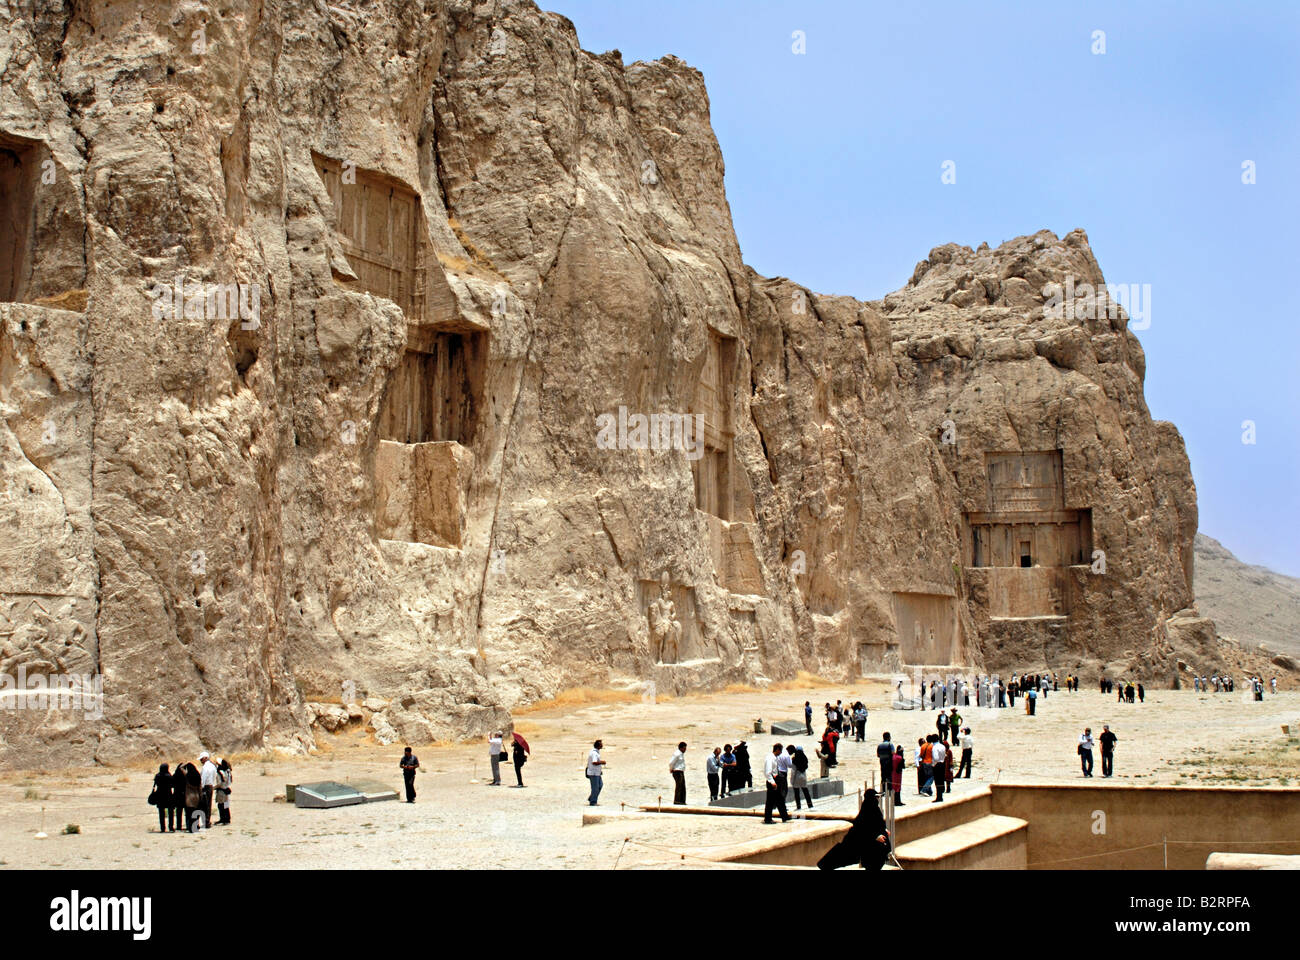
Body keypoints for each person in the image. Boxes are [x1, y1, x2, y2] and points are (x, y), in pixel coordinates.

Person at [817, 789, 890, 870]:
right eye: (876, 797)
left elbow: (877, 824)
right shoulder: (867, 808)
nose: (877, 799)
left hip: (875, 846)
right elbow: (863, 828)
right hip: (865, 844)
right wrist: (875, 836)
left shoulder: (875, 809)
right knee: (842, 856)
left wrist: (884, 830)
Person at [763, 743, 791, 823]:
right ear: (777, 749)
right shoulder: (770, 758)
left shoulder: (774, 757)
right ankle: (768, 819)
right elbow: (768, 772)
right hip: (772, 780)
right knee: (770, 801)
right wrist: (772, 782)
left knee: (780, 799)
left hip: (776, 779)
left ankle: (784, 816)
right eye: (780, 750)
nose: (781, 752)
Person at [151, 763, 176, 833]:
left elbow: (155, 784)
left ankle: (162, 828)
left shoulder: (157, 776)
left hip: (160, 796)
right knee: (171, 812)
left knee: (161, 813)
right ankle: (171, 827)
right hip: (168, 795)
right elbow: (173, 785)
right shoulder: (169, 776)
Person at [788, 744, 813, 810]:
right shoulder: (804, 758)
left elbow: (793, 771)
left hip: (796, 777)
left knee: (797, 793)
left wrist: (791, 780)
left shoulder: (795, 759)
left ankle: (798, 806)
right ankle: (810, 805)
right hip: (803, 777)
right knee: (805, 791)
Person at [198, 751, 218, 828]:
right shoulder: (213, 765)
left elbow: (203, 778)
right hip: (210, 786)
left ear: (205, 758)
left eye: (201, 759)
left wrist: (201, 787)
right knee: (208, 804)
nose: (201, 761)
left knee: (204, 805)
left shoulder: (206, 767)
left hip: (206, 787)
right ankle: (207, 821)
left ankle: (205, 821)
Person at [182, 761, 203, 832]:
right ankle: (196, 826)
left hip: (189, 797)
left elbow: (181, 768)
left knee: (189, 813)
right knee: (195, 812)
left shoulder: (187, 775)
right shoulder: (198, 776)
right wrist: (201, 796)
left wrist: (185, 764)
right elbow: (200, 788)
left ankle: (190, 827)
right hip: (196, 796)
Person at [586, 740, 606, 805]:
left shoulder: (596, 752)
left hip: (597, 773)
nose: (602, 745)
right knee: (595, 788)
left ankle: (592, 797)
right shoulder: (594, 753)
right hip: (593, 773)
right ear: (598, 745)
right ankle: (593, 802)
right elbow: (594, 762)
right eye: (601, 744)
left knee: (600, 785)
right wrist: (602, 762)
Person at [215, 758, 233, 825]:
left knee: (221, 805)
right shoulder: (228, 771)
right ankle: (227, 819)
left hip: (221, 790)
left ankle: (223, 819)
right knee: (226, 805)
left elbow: (219, 783)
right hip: (227, 790)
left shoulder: (220, 772)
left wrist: (214, 788)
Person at [170, 763, 187, 831]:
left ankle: (178, 826)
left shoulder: (175, 775)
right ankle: (187, 825)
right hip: (185, 795)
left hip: (177, 795)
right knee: (186, 811)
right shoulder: (186, 775)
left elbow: (172, 785)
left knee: (179, 811)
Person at [931, 737, 948, 802]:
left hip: (937, 765)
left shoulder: (934, 747)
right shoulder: (942, 746)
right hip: (942, 763)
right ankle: (940, 796)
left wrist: (933, 764)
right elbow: (944, 755)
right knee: (941, 780)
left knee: (937, 781)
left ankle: (939, 797)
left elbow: (935, 758)